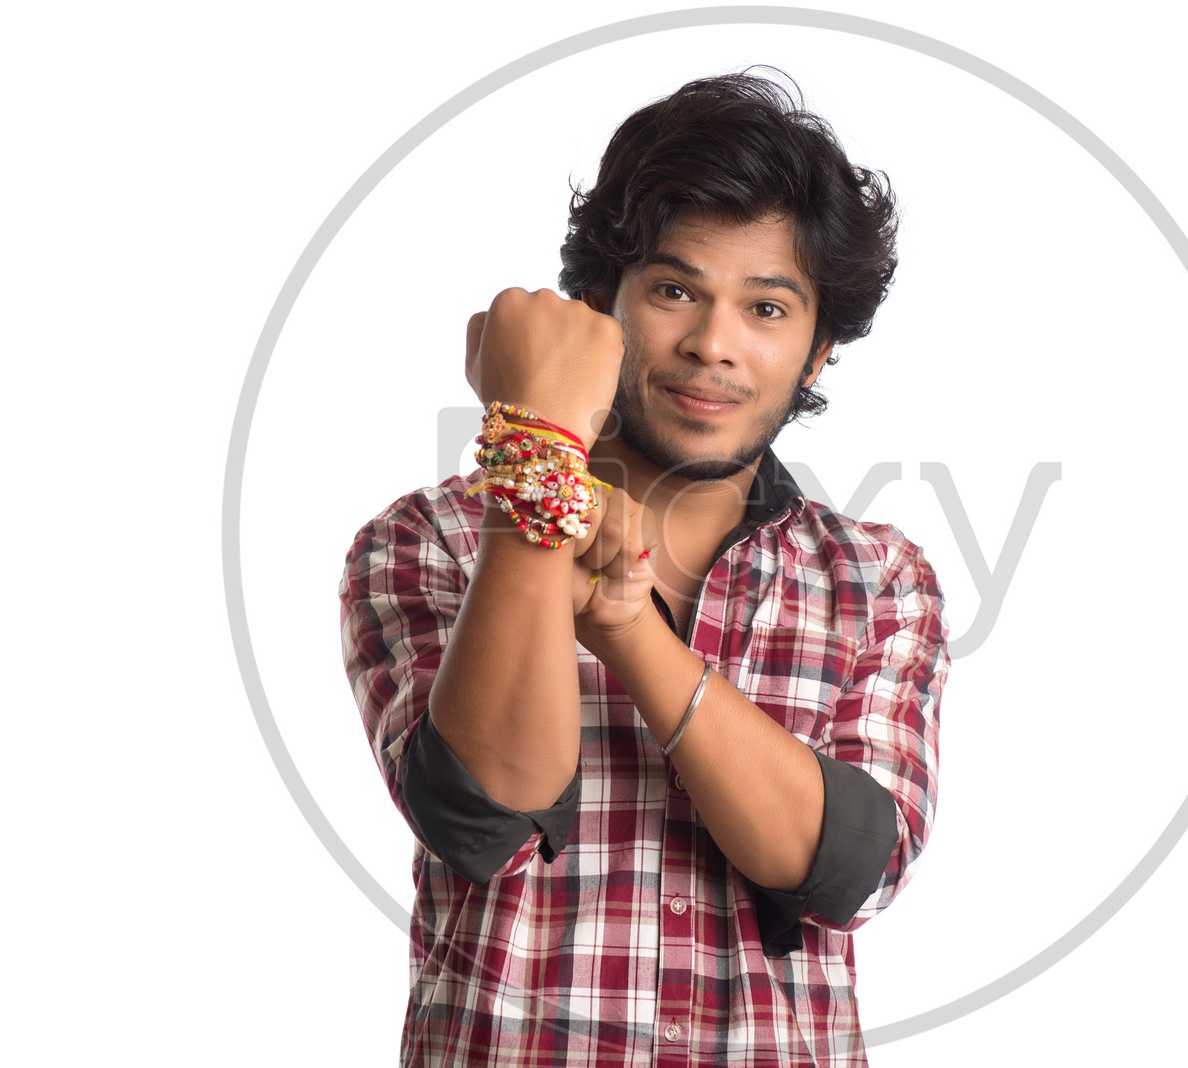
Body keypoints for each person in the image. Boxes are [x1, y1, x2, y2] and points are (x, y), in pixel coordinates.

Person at [339, 70, 950, 1067]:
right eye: (674, 291)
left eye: (765, 309)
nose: (712, 345)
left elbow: (843, 867)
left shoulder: (878, 579)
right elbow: (482, 816)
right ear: (598, 309)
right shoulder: (427, 541)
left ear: (819, 351)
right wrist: (537, 457)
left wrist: (625, 626)